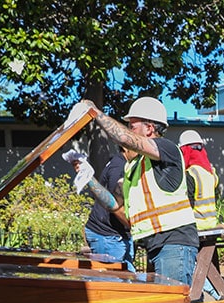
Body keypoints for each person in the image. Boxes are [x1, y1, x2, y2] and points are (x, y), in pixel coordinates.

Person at [73, 97, 198, 286]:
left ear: (149, 128)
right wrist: (88, 178)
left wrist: (95, 112)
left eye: (132, 125)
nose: (127, 130)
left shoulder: (167, 149)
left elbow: (123, 138)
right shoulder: (133, 166)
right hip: (156, 243)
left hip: (174, 241)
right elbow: (114, 204)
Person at [179, 130, 224, 299]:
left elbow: (188, 203)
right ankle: (220, 292)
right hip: (211, 224)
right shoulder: (211, 173)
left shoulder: (191, 173)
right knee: (205, 262)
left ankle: (210, 293)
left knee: (193, 263)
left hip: (196, 226)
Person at [74, 147, 134, 267]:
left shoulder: (124, 164)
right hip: (107, 236)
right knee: (110, 281)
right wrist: (135, 227)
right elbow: (115, 206)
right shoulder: (119, 168)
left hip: (117, 234)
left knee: (128, 279)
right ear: (125, 147)